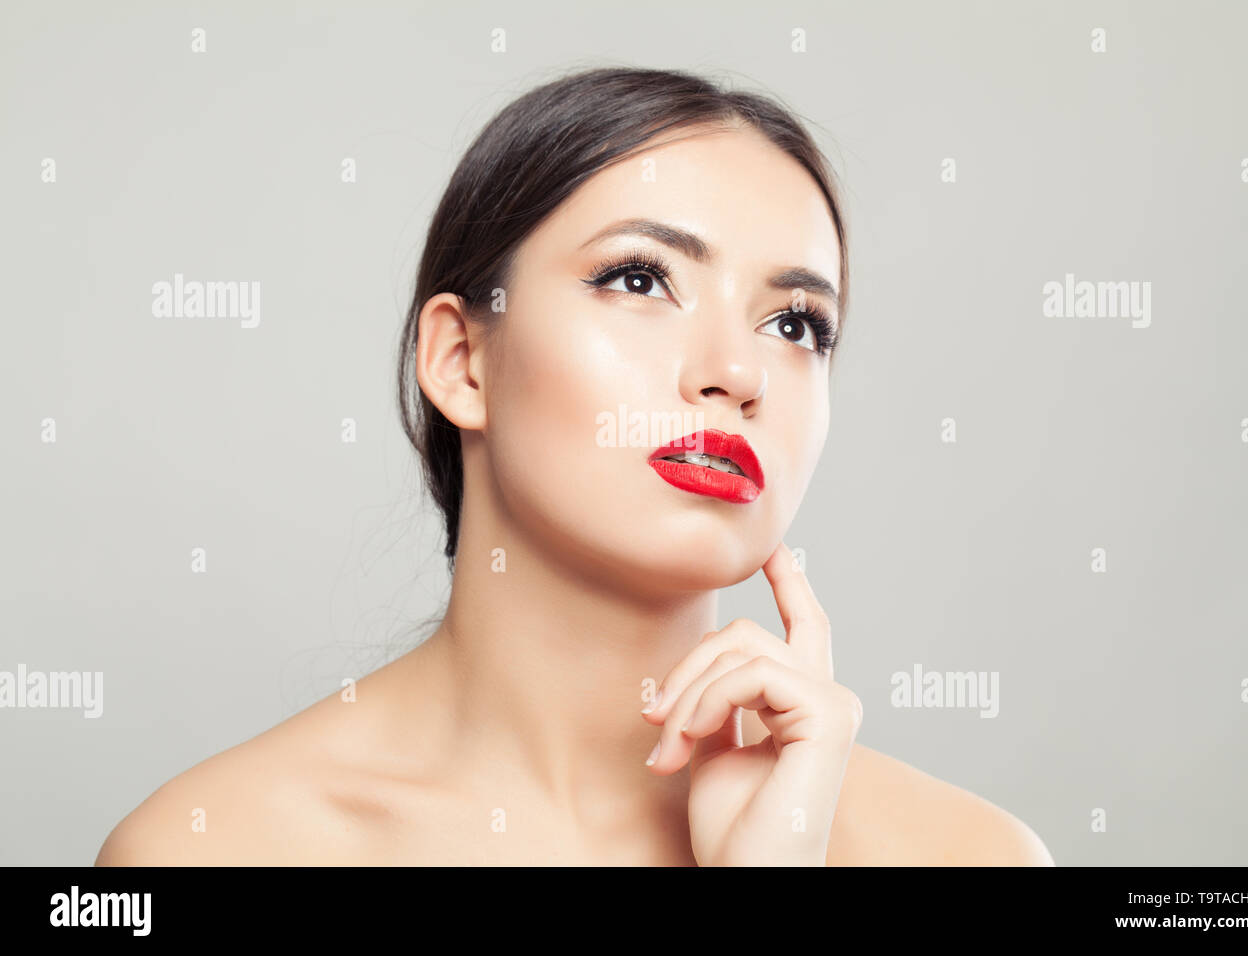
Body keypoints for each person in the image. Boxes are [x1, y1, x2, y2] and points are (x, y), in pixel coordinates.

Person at [96, 66, 1053, 866]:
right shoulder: (213, 849)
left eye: (796, 324)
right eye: (639, 279)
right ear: (462, 362)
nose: (735, 373)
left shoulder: (970, 856)